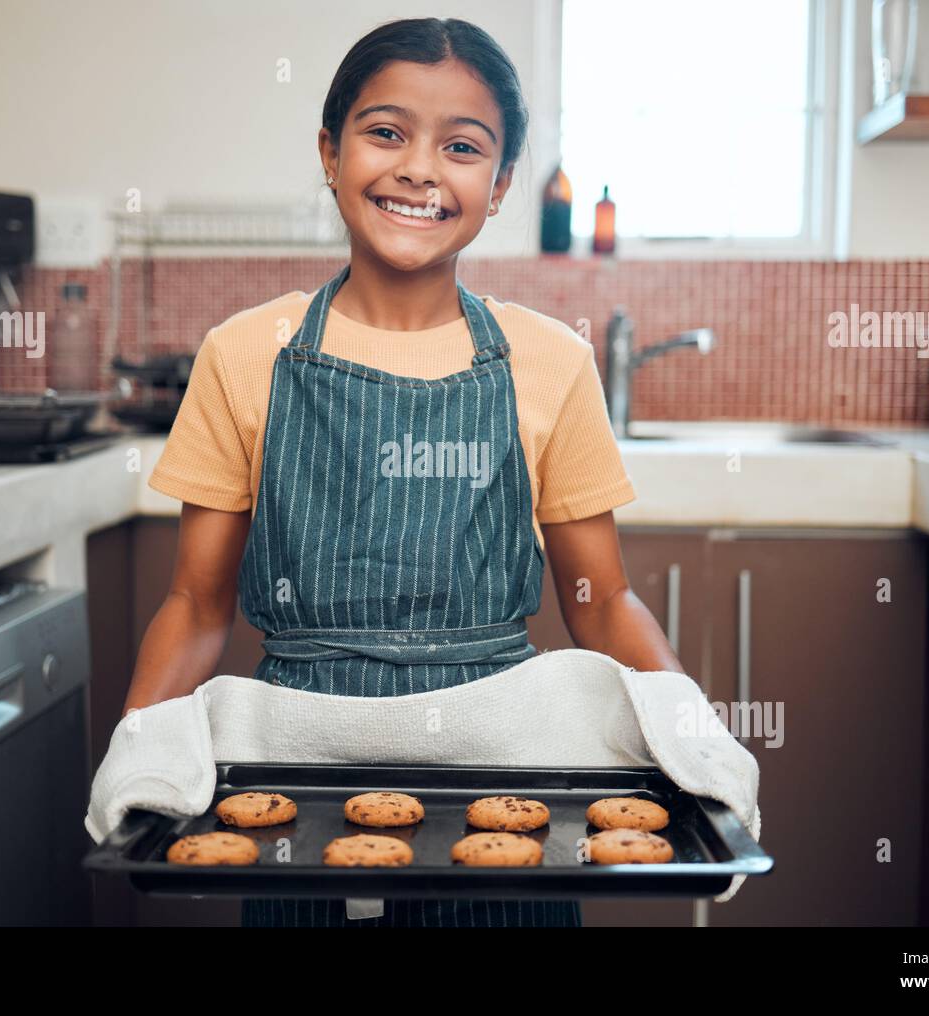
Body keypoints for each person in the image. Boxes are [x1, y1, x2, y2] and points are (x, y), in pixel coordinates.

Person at [123, 16, 682, 928]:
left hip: (501, 770)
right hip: (300, 786)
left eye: (461, 147)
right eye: (386, 132)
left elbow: (604, 600)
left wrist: (690, 733)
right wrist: (134, 752)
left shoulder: (549, 362)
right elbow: (195, 603)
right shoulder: (244, 354)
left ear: (500, 186)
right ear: (330, 152)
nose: (420, 169)